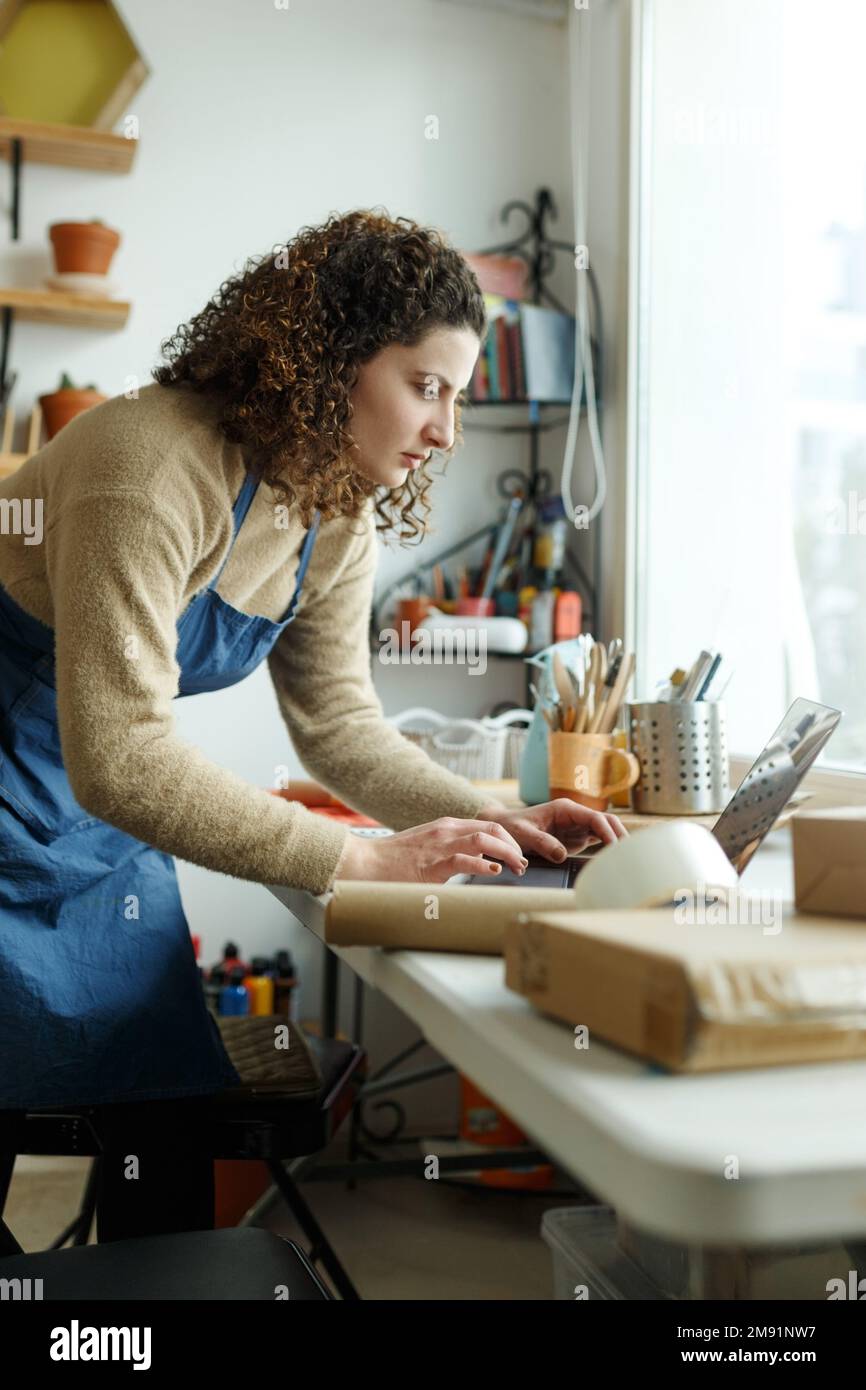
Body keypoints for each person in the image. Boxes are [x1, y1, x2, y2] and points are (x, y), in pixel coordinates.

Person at [0, 208, 624, 1236]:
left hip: (87, 810)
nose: (444, 431)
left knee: (163, 1110)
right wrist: (361, 860)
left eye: (457, 398)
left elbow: (336, 723)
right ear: (326, 357)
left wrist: (491, 822)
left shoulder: (332, 514)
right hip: (63, 766)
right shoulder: (147, 466)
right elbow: (117, 756)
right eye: (424, 386)